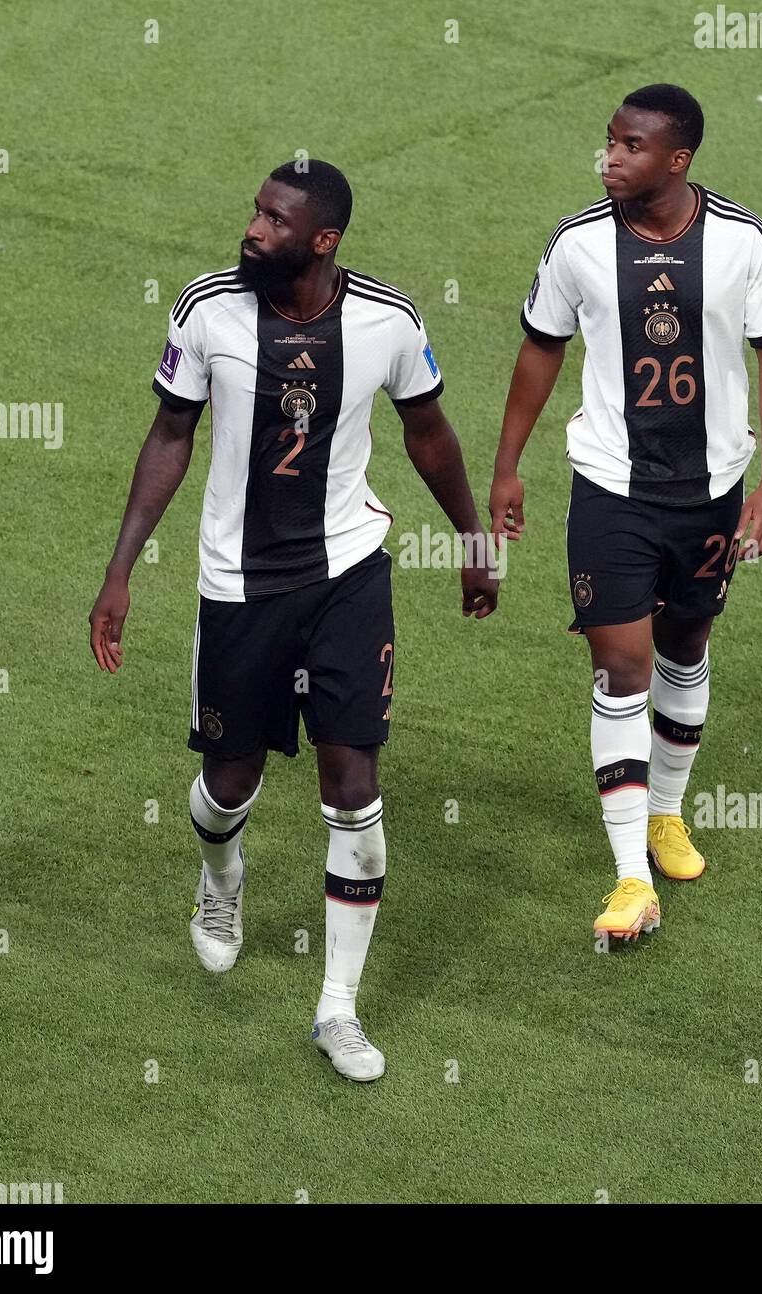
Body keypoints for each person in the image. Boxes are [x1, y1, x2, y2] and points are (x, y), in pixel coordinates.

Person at [90, 160, 498, 1078]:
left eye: (275, 219)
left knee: (352, 783)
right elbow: (169, 436)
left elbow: (425, 428)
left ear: (325, 239)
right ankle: (220, 881)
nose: (253, 228)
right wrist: (120, 572)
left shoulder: (388, 320)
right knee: (228, 784)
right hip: (239, 586)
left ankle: (338, 1009)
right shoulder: (208, 311)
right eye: (255, 211)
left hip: (349, 571)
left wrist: (473, 535)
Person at [490, 86, 762, 940]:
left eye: (630, 146)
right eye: (608, 143)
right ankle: (631, 876)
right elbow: (539, 350)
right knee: (621, 664)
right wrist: (508, 465)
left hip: (712, 490)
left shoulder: (742, 240)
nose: (610, 158)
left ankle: (665, 810)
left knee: (687, 644)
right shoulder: (577, 244)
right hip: (609, 486)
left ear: (678, 159)